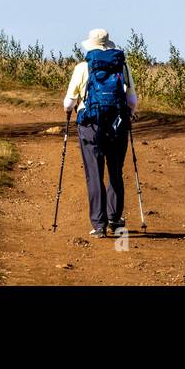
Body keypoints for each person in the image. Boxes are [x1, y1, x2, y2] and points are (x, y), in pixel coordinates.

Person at [63, 28, 137, 237]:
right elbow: (132, 100)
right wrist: (128, 115)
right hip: (117, 123)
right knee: (115, 170)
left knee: (94, 173)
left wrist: (72, 108)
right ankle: (115, 218)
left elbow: (68, 102)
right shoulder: (122, 66)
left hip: (90, 125)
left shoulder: (82, 67)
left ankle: (99, 225)